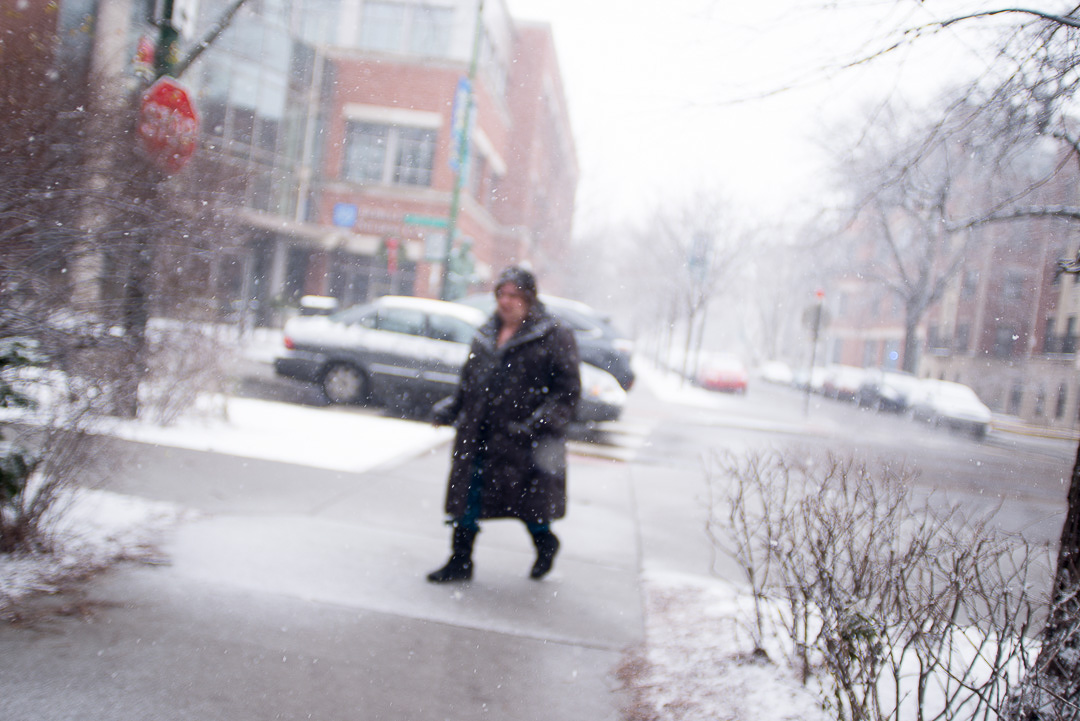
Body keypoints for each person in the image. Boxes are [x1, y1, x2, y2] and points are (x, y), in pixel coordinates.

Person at [428, 266, 581, 583]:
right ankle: (460, 560)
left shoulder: (553, 335)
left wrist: (537, 423)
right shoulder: (486, 332)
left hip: (522, 439)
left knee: (529, 506)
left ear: (528, 298)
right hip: (478, 432)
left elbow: (567, 392)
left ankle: (545, 543)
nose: (506, 301)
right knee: (467, 499)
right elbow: (470, 381)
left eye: (514, 295)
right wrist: (452, 407)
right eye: (502, 294)